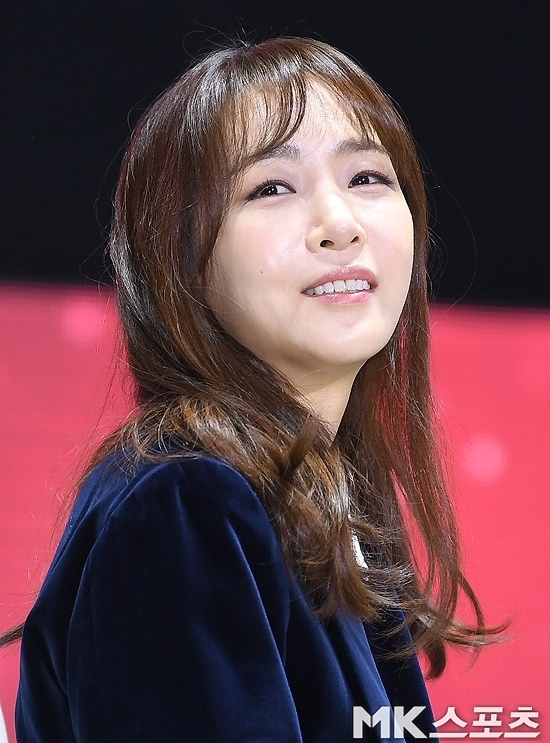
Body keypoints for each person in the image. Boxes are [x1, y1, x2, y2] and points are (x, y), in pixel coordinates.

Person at [3, 37, 497, 742]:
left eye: (367, 177)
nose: (339, 226)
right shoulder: (183, 505)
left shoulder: (326, 509)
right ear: (180, 258)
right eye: (271, 189)